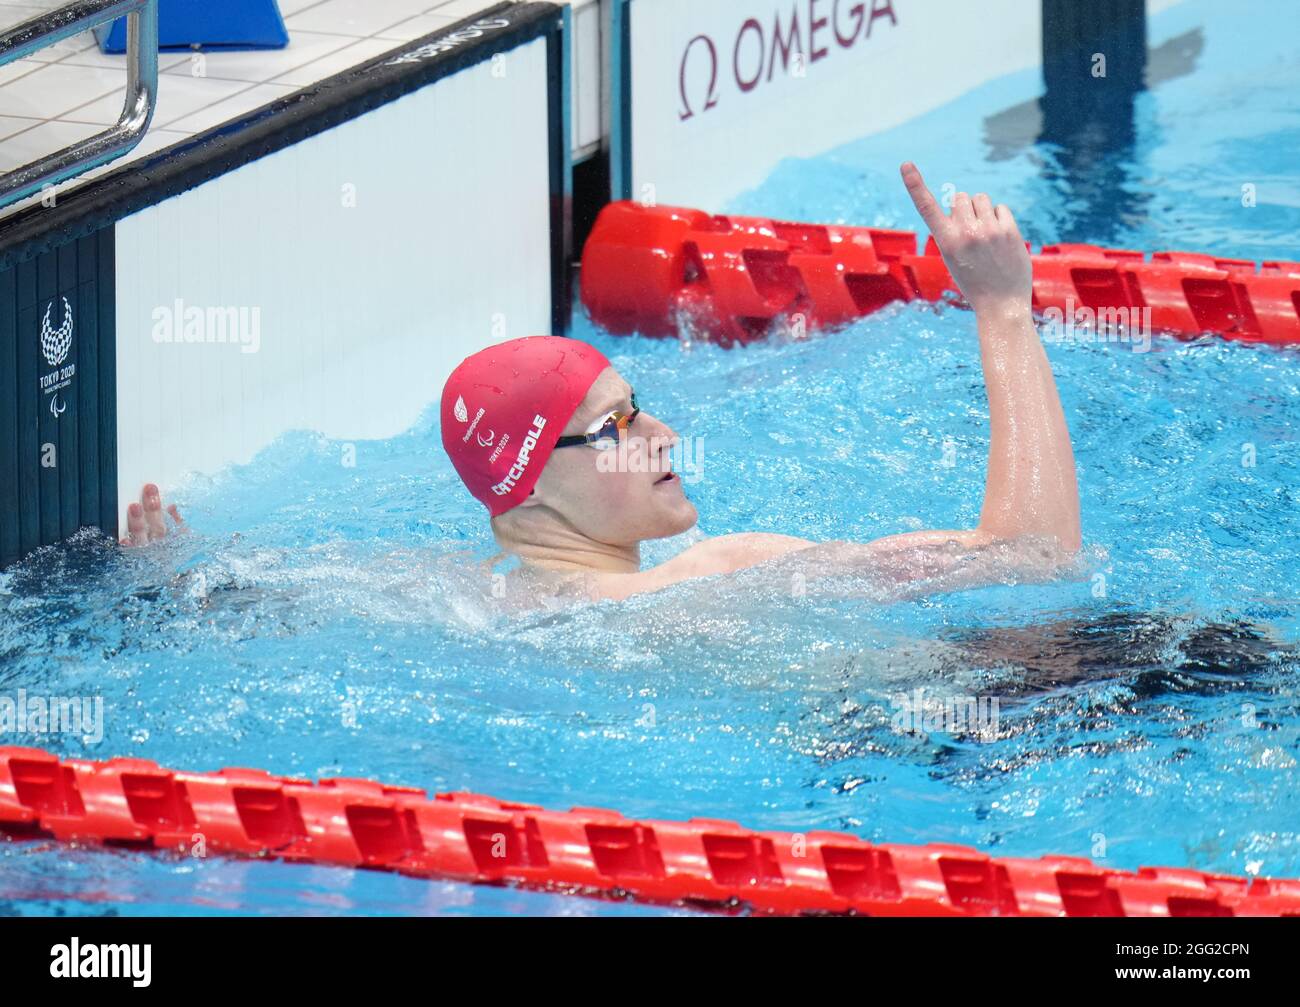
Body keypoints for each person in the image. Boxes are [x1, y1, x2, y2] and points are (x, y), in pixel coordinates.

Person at [125, 163, 1081, 603]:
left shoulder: (452, 599)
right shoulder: (724, 575)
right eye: (618, 423)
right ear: (530, 481)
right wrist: (1002, 309)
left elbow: (268, 587)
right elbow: (1038, 559)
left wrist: (174, 573)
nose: (665, 433)